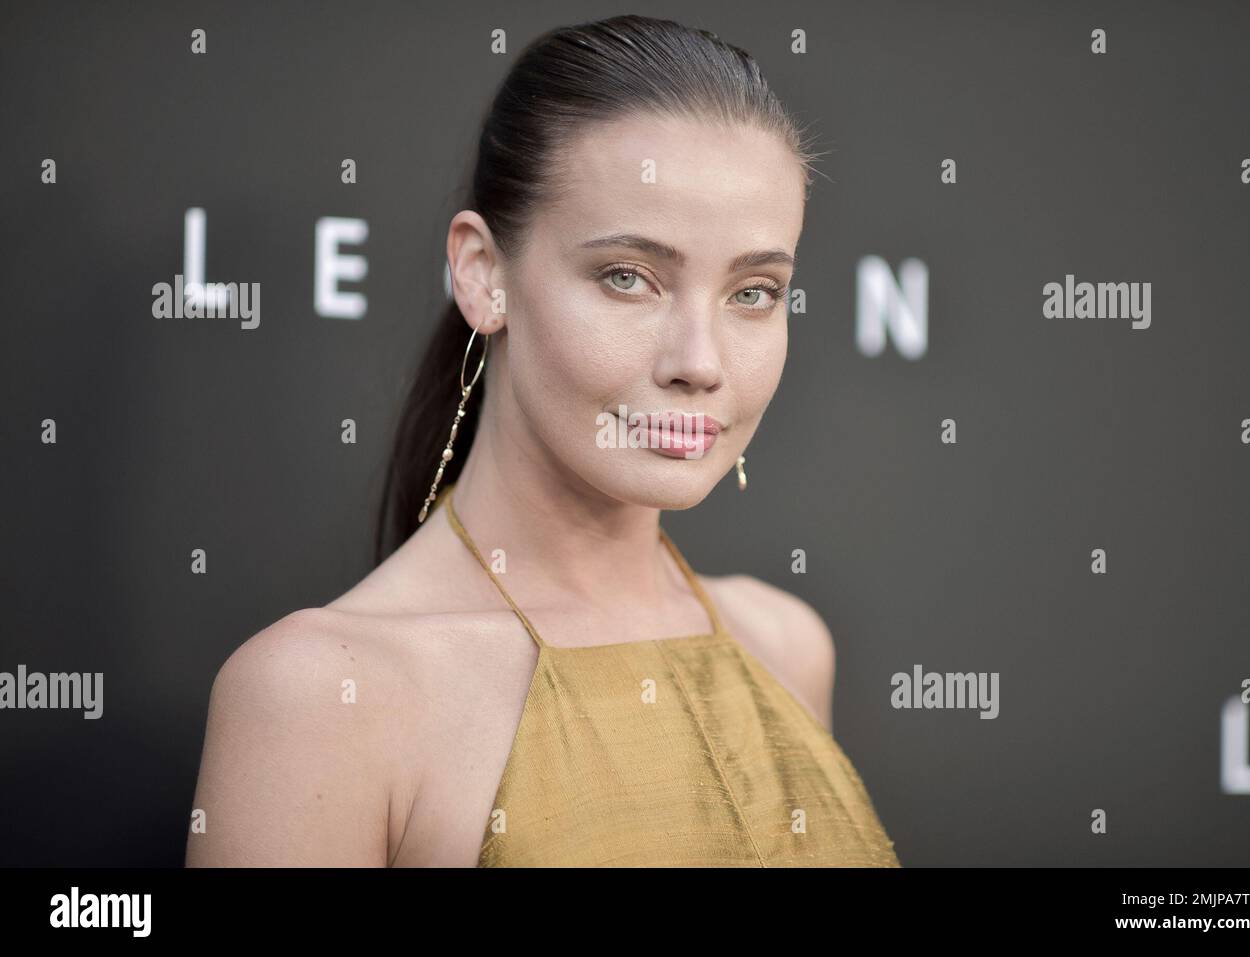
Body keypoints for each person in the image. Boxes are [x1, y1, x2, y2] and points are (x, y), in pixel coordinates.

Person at [186, 14, 900, 867]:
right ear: (484, 275)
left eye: (754, 291)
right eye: (628, 277)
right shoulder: (320, 699)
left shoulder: (786, 644)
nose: (700, 364)